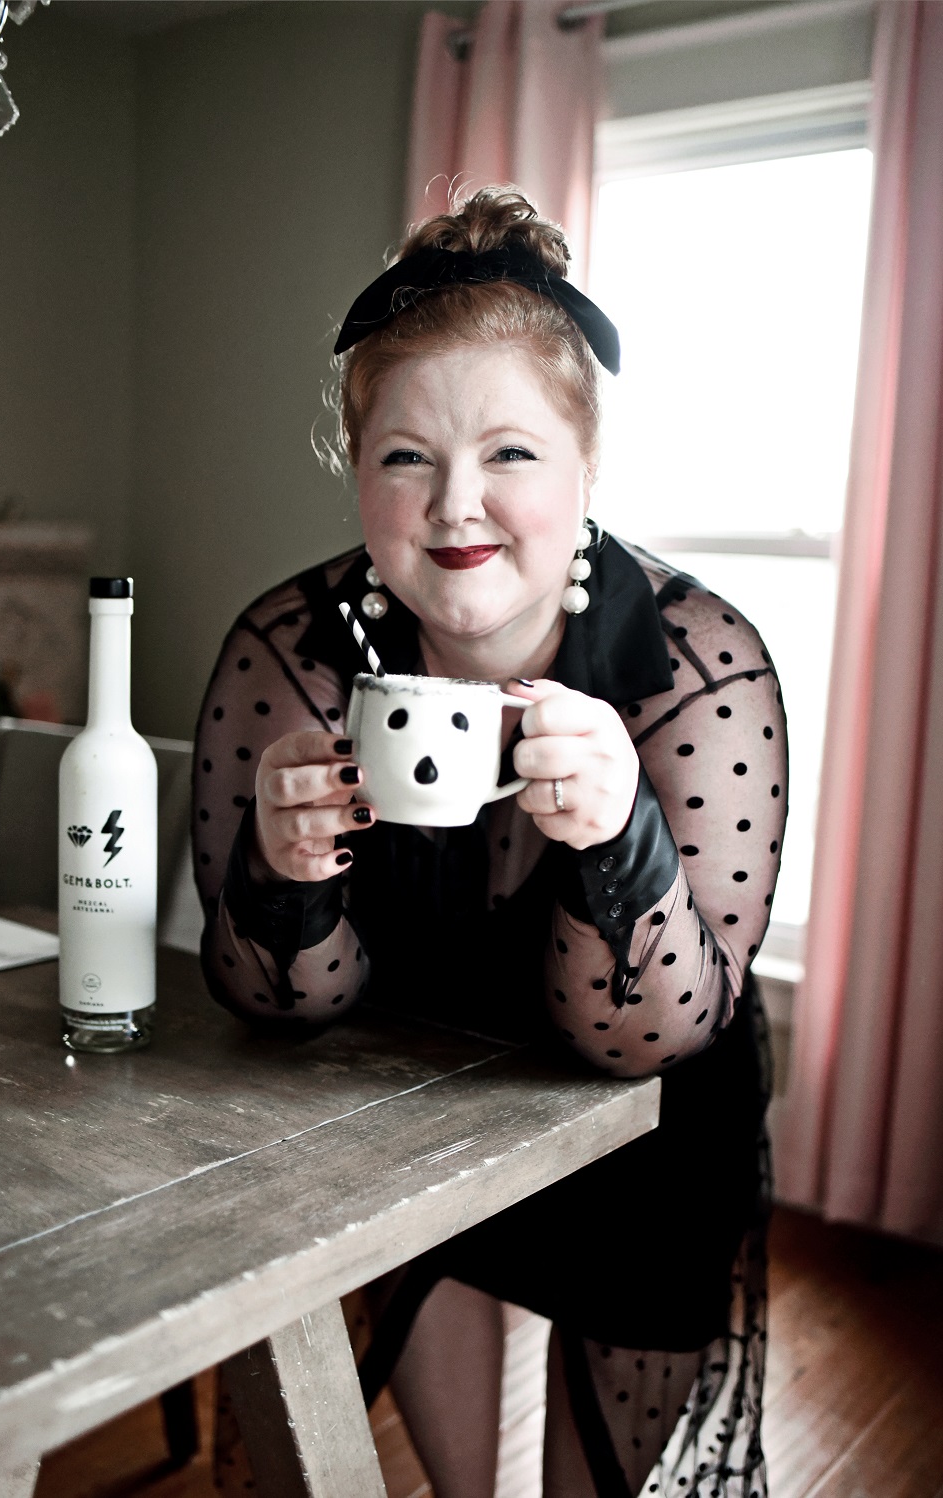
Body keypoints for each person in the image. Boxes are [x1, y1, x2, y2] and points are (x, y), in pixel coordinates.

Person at [193, 187, 787, 1498]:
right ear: (359, 471)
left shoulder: (697, 663)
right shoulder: (293, 651)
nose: (458, 502)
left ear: (587, 468)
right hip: (412, 1110)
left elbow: (651, 1033)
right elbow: (262, 1003)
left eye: (510, 452)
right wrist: (280, 877)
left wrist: (621, 835)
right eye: (407, 456)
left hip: (638, 1137)